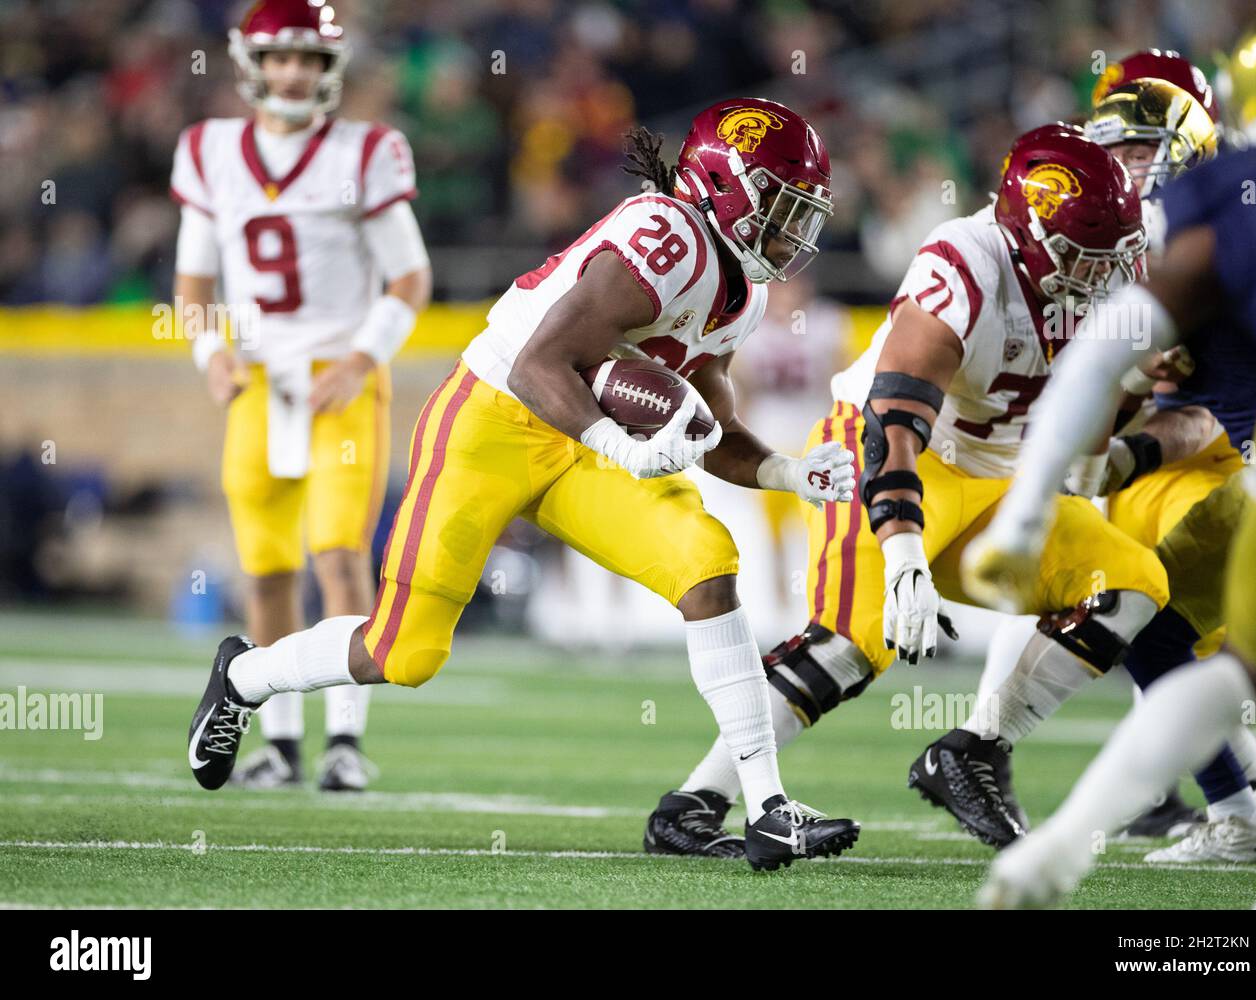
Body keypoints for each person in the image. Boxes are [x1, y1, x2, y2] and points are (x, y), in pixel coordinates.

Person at [188, 95, 863, 872]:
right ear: (727, 184)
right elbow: (537, 365)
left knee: (706, 567)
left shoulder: (743, 288)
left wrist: (785, 471)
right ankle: (244, 676)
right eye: (781, 207)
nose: (793, 231)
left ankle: (768, 809)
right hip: (496, 420)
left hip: (582, 439)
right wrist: (618, 442)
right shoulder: (667, 238)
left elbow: (707, 424)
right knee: (402, 653)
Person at [645, 124, 1166, 855]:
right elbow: (893, 424)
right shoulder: (963, 265)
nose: (1096, 275)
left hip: (1003, 475)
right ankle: (693, 804)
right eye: (1080, 256)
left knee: (1133, 584)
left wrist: (1140, 390)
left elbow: (1085, 424)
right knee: (852, 645)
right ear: (1029, 228)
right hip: (902, 452)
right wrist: (904, 557)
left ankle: (977, 747)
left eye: (1110, 257)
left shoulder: (1112, 277)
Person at [967, 3, 1256, 907]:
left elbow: (1116, 351)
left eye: (1149, 147)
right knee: (1175, 627)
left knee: (1156, 614)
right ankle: (1249, 796)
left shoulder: (1215, 210)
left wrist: (1043, 492)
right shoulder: (1152, 221)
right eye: (1119, 146)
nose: (1130, 167)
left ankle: (1214, 808)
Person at [171, 0, 431, 790]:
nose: (294, 73)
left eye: (310, 60)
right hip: (256, 380)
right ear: (253, 63)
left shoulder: (367, 149)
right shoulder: (210, 149)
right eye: (281, 58)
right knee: (268, 566)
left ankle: (344, 741)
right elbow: (191, 282)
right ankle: (277, 743)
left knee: (341, 556)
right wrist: (210, 351)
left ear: (330, 68)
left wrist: (359, 360)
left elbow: (410, 277)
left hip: (337, 379)